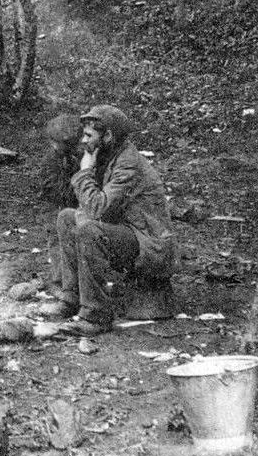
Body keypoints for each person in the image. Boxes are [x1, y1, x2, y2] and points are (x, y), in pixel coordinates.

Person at [40, 104, 177, 336]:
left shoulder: (128, 164)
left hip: (149, 244)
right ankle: (71, 297)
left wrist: (84, 172)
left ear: (109, 136)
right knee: (67, 218)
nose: (83, 141)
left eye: (88, 135)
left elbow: (97, 208)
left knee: (90, 231)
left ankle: (95, 315)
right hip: (128, 230)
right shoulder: (108, 154)